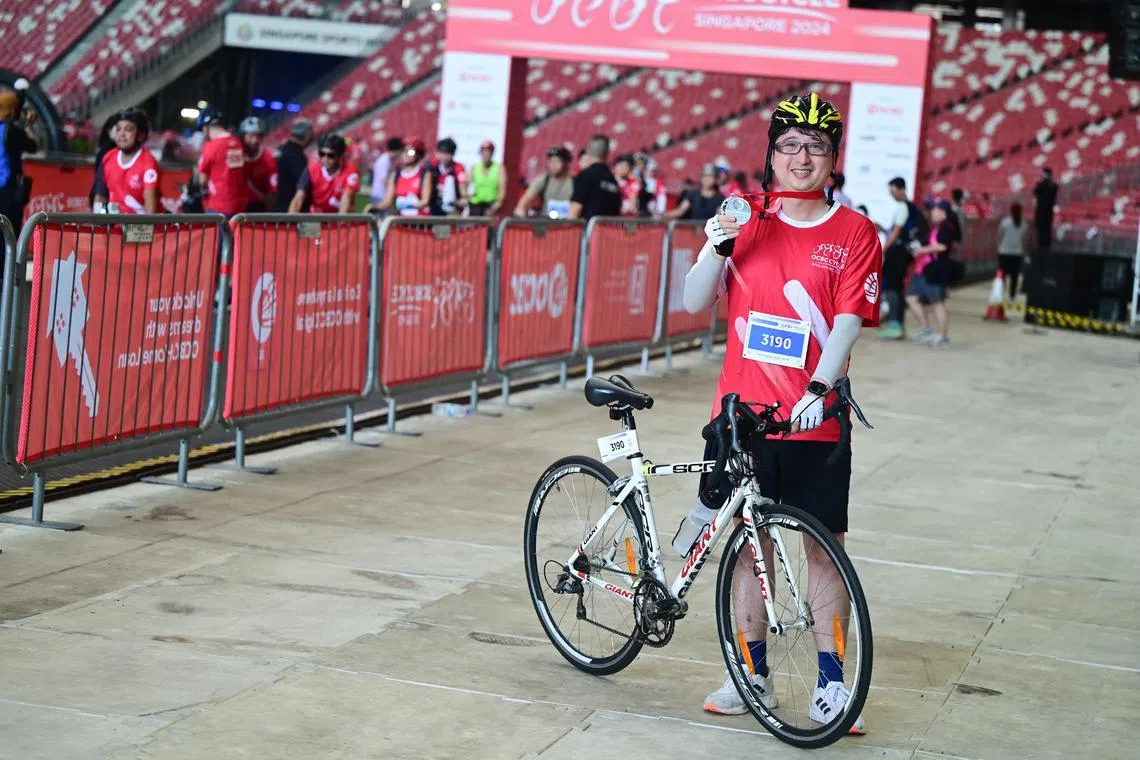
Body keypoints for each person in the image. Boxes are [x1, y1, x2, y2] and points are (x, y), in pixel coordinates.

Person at [681, 92, 879, 731]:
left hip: (812, 420)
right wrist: (717, 241)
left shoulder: (853, 232)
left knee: (824, 552)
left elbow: (847, 322)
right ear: (770, 154)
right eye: (790, 145)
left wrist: (821, 387)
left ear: (832, 161)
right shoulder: (746, 218)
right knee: (747, 550)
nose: (802, 157)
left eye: (816, 147)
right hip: (740, 420)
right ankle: (750, 672)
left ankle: (830, 684)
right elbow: (691, 302)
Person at [879, 177, 929, 340]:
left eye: (893, 191)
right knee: (896, 287)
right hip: (904, 253)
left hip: (897, 253)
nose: (892, 195)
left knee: (892, 287)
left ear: (901, 189)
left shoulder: (902, 207)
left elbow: (896, 232)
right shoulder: (912, 208)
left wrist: (884, 249)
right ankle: (897, 324)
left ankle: (895, 324)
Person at [904, 199, 956, 347]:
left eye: (935, 209)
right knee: (911, 297)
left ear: (943, 212)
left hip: (935, 270)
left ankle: (942, 336)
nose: (932, 212)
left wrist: (922, 250)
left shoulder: (947, 228)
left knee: (937, 302)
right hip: (924, 269)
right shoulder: (936, 227)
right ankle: (926, 329)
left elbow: (942, 247)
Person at [96, 107, 160, 214]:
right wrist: (99, 225)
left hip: (137, 227)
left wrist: (144, 229)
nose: (121, 134)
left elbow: (150, 205)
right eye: (118, 129)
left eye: (128, 129)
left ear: (140, 135)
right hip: (113, 225)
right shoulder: (108, 157)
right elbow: (100, 196)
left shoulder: (148, 162)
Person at [288, 133, 360, 214]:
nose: (325, 159)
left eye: (331, 155)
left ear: (340, 156)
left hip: (340, 219)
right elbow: (298, 198)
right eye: (321, 154)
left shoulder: (350, 171)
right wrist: (290, 223)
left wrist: (340, 223)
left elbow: (346, 198)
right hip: (317, 218)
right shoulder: (311, 169)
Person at [0, 81, 38, 234]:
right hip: (7, 187)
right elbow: (33, 146)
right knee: (8, 233)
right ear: (12, 111)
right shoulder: (12, 131)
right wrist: (29, 125)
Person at [195, 108, 248, 217]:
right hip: (238, 206)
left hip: (218, 206)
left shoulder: (211, 147)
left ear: (206, 128)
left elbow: (202, 180)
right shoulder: (237, 142)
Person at [368, 137, 434, 217]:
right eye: (403, 150)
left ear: (418, 154)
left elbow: (425, 201)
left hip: (421, 224)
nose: (405, 154)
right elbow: (387, 201)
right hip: (402, 223)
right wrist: (375, 207)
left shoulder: (424, 174)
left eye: (410, 152)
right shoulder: (396, 174)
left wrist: (406, 205)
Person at [568, 134, 621, 221]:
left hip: (587, 231)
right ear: (607, 152)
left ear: (588, 151)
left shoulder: (585, 176)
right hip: (608, 232)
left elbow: (576, 208)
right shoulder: (613, 180)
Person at [513, 145, 574, 219]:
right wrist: (520, 208)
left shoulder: (574, 181)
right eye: (551, 161)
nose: (553, 165)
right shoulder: (544, 179)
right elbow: (526, 197)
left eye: (557, 161)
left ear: (566, 163)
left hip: (568, 224)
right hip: (545, 222)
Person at [274, 118, 314, 213]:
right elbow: (304, 184)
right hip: (290, 209)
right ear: (307, 136)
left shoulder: (281, 149)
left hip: (276, 205)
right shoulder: (296, 156)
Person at [239, 116, 276, 213]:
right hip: (235, 205)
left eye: (258, 136)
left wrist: (267, 215)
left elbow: (272, 191)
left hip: (257, 207)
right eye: (250, 136)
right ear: (243, 136)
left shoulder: (268, 158)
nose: (254, 140)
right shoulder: (236, 154)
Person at [997, 202, 1029, 301]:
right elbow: (1024, 239)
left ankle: (1000, 293)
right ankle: (1012, 296)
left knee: (1002, 275)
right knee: (1014, 276)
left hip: (1004, 252)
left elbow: (999, 235)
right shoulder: (1024, 224)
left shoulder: (1005, 222)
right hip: (1017, 253)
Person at [468, 140, 505, 216]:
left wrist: (497, 204)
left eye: (488, 152)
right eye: (484, 152)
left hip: (491, 204)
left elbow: (502, 189)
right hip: (476, 204)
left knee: (489, 222)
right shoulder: (474, 167)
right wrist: (466, 196)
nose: (486, 155)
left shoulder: (499, 168)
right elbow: (465, 184)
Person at [432, 137, 467, 216]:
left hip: (452, 207)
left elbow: (462, 187)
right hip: (435, 207)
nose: (445, 157)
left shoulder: (458, 168)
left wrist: (463, 199)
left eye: (447, 154)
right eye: (442, 153)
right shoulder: (432, 166)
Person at [370, 136, 403, 210]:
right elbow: (384, 181)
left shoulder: (389, 160)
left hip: (383, 195)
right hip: (380, 196)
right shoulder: (384, 161)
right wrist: (394, 192)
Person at [1033, 167, 1058, 249]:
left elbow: (1035, 192)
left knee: (1041, 230)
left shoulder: (1041, 184)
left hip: (1041, 210)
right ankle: (1046, 246)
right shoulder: (1054, 185)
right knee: (1047, 229)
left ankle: (1041, 246)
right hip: (1049, 211)